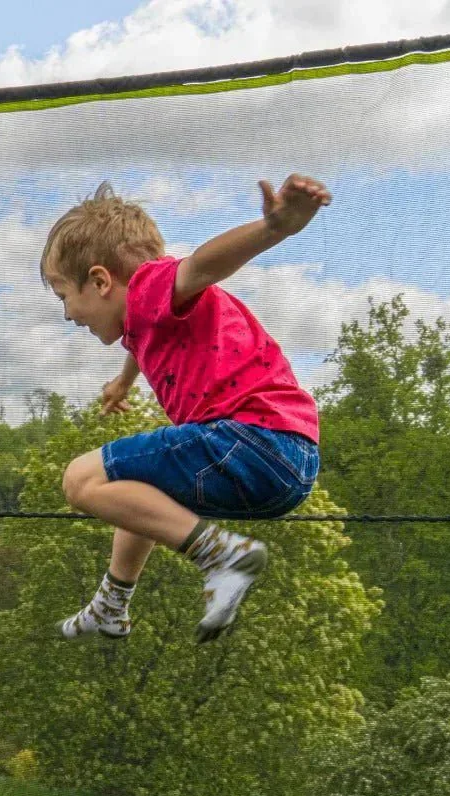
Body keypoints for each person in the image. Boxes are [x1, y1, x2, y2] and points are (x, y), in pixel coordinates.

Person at [41, 174, 330, 643]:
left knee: (81, 479)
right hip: (285, 463)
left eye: (64, 297)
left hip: (253, 441)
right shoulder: (146, 314)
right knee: (136, 485)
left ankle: (223, 556)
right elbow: (143, 336)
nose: (68, 314)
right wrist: (123, 381)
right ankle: (112, 605)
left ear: (99, 280)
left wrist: (273, 229)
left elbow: (200, 267)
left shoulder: (151, 285)